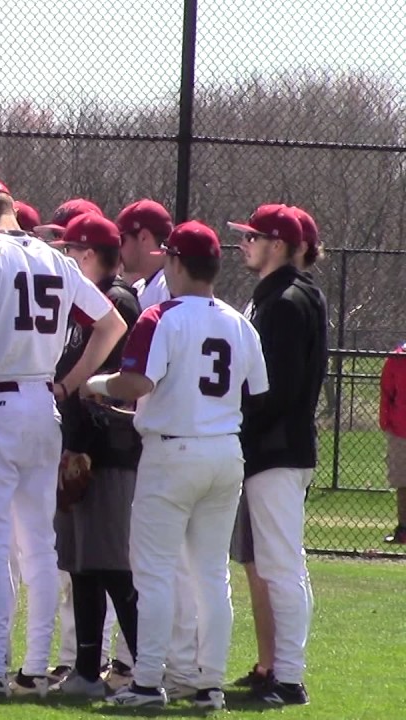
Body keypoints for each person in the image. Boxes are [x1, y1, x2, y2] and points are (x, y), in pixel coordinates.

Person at [0, 177, 125, 698]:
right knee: (40, 545)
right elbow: (110, 324)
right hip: (42, 405)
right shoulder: (57, 259)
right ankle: (34, 668)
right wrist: (69, 383)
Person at [91, 220, 269, 710]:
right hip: (224, 450)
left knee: (154, 572)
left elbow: (136, 384)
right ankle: (208, 683)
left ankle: (148, 682)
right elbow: (257, 394)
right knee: (211, 573)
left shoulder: (161, 316)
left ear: (173, 262)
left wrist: (98, 384)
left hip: (173, 452)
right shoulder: (239, 320)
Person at [228, 204, 326, 706]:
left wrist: (237, 433)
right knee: (281, 564)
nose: (245, 242)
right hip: (276, 448)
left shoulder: (286, 301)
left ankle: (289, 678)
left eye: (254, 236)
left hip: (275, 451)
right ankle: (283, 672)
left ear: (281, 245)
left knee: (281, 566)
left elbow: (277, 390)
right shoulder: (278, 297)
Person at [45, 214, 142, 699]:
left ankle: (145, 671)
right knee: (83, 564)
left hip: (110, 453)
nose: (64, 258)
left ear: (88, 255)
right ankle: (87, 671)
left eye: (69, 250)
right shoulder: (87, 302)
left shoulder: (115, 300)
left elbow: (101, 387)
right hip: (84, 448)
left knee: (112, 566)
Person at [115, 197, 199, 697]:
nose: (122, 250)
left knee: (166, 568)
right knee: (194, 570)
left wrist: (100, 387)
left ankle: (161, 672)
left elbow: (141, 379)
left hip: (171, 441)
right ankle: (192, 674)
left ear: (147, 240)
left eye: (127, 239)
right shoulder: (226, 313)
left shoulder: (164, 300)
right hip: (202, 443)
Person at [380, 343, 406, 544]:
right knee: (402, 481)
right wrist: (386, 422)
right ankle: (404, 529)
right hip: (401, 430)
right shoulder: (397, 359)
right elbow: (387, 393)